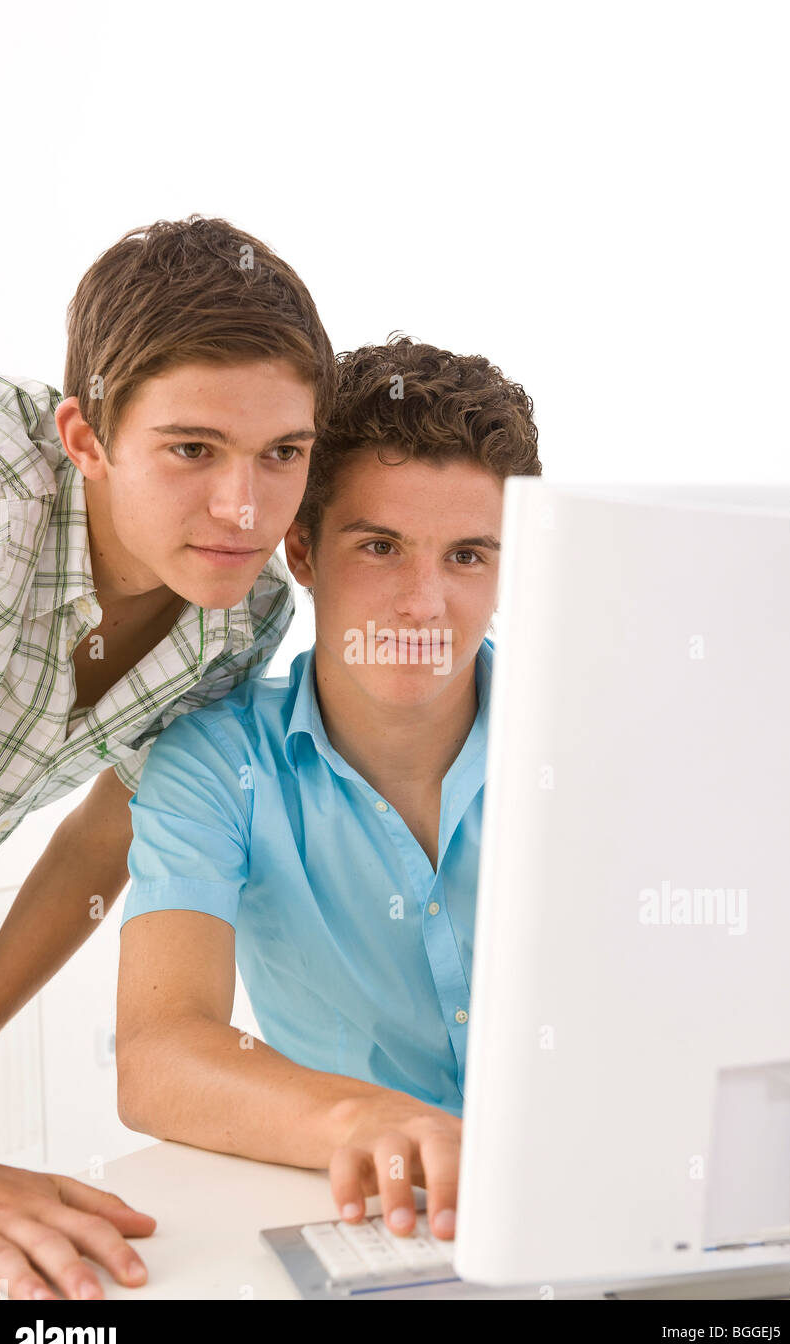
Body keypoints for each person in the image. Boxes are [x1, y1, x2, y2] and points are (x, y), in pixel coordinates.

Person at [0, 214, 334, 1300]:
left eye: (283, 453)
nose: (244, 509)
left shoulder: (242, 616)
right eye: (191, 449)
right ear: (85, 438)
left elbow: (102, 839)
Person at [116, 338, 540, 1246]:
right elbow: (157, 1055)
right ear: (302, 551)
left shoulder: (585, 737)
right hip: (375, 1223)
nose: (423, 603)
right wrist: (362, 1120)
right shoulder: (216, 761)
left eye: (468, 556)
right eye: (381, 547)